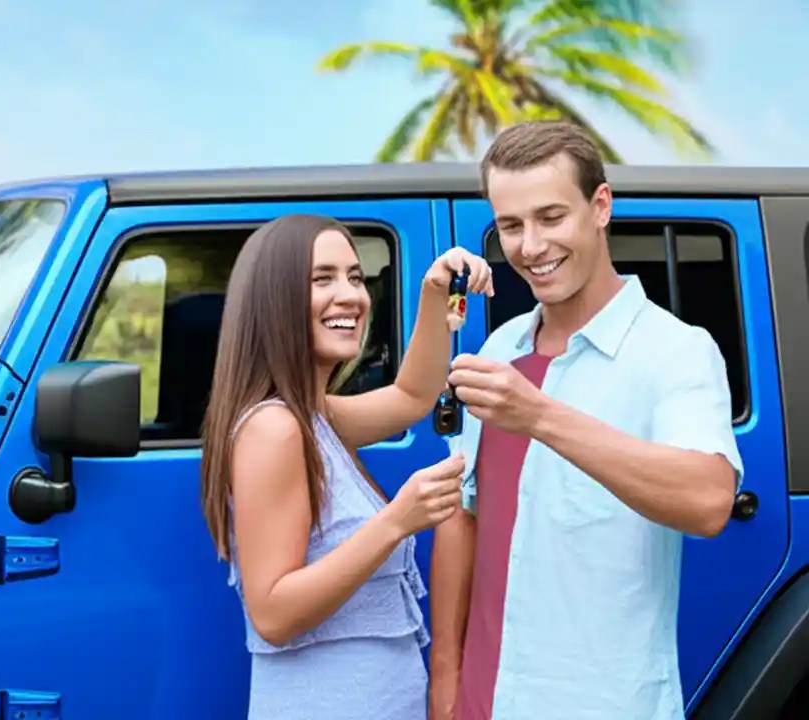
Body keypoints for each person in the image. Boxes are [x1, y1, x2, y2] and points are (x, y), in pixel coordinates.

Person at [426, 121, 744, 720]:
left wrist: (540, 415)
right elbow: (460, 512)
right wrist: (445, 677)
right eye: (511, 226)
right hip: (483, 702)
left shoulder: (676, 349)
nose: (531, 246)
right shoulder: (497, 350)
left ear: (601, 207)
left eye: (551, 217)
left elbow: (708, 502)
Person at [199, 213, 493, 719]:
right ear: (274, 301)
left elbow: (411, 396)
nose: (351, 295)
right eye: (322, 279)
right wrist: (398, 520)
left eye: (355, 277)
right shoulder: (276, 430)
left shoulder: (313, 417)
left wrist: (434, 289)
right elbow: (272, 612)